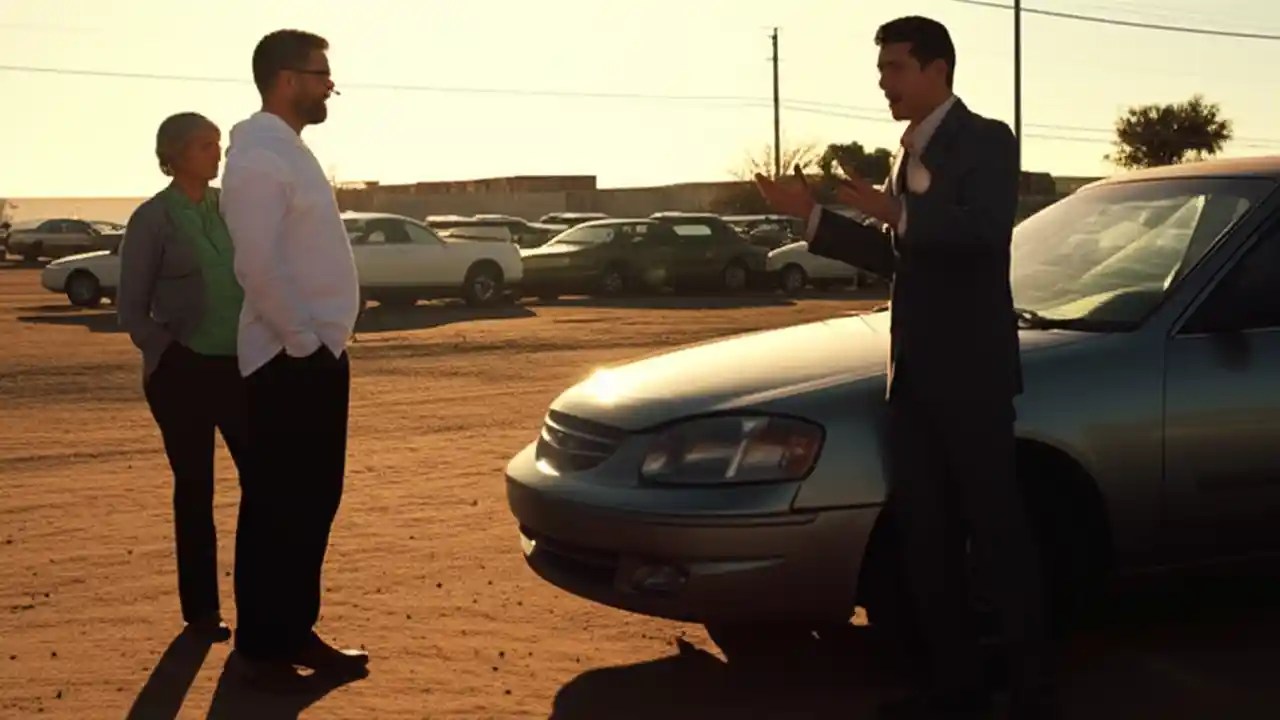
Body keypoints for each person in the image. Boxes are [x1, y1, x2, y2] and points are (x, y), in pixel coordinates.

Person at [755, 16, 1054, 720]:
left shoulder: (986, 140)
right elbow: (900, 255)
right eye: (883, 68)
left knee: (998, 533)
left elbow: (982, 233)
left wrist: (899, 212)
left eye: (895, 67)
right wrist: (816, 219)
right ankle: (954, 688)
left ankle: (1032, 691)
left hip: (973, 378)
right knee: (927, 538)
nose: (883, 81)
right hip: (913, 382)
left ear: (936, 69)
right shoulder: (904, 152)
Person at [219, 29, 367, 683]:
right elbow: (257, 263)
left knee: (304, 502)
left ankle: (284, 635)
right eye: (321, 72)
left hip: (309, 354)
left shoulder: (285, 152)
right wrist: (305, 343)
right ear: (285, 79)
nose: (330, 83)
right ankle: (269, 644)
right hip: (289, 361)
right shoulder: (258, 159)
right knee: (285, 505)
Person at [117, 112, 249, 643]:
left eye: (217, 144)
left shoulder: (230, 209)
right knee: (195, 489)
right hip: (182, 373)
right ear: (172, 154)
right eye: (203, 145)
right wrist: (170, 356)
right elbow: (130, 310)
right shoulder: (153, 218)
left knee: (262, 484)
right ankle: (202, 613)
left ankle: (261, 607)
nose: (215, 154)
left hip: (240, 367)